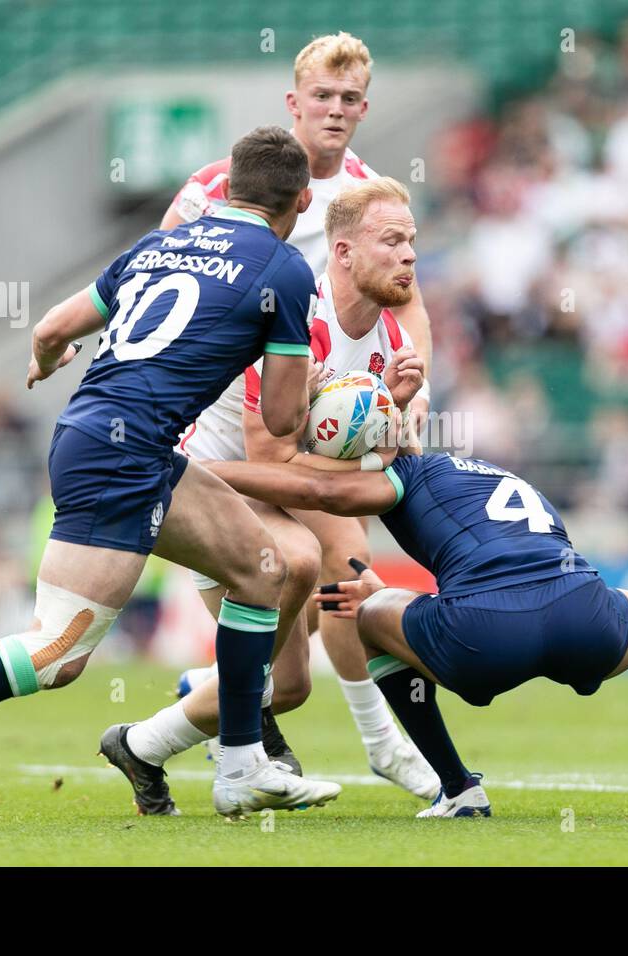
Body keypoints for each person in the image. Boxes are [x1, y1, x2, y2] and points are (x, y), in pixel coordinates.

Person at [0, 127, 342, 828]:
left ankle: (241, 764)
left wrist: (44, 359)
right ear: (302, 201)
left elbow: (53, 327)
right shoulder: (284, 269)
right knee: (58, 654)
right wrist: (335, 407)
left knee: (260, 569)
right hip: (122, 458)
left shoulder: (157, 245)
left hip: (107, 438)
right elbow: (279, 419)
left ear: (228, 190)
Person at [101, 178, 439, 814]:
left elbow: (369, 451)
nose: (410, 256)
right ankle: (371, 742)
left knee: (287, 683)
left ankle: (142, 743)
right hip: (205, 486)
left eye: (411, 241)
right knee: (330, 571)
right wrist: (367, 460)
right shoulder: (293, 318)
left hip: (268, 490)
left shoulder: (391, 340)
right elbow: (273, 460)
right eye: (392, 241)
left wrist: (393, 410)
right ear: (341, 253)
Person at [198, 444, 628, 820]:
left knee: (369, 620)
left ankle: (458, 787)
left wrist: (205, 470)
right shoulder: (492, 473)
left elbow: (320, 495)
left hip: (484, 636)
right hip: (581, 614)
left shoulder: (402, 474)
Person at [159, 33, 438, 786]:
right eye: (324, 96)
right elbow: (161, 270)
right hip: (224, 416)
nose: (337, 110)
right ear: (295, 102)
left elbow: (409, 302)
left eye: (351, 100)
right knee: (302, 605)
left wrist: (415, 385)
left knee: (337, 582)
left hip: (319, 409)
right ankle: (218, 722)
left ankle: (362, 740)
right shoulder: (220, 187)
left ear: (365, 109)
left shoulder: (368, 196)